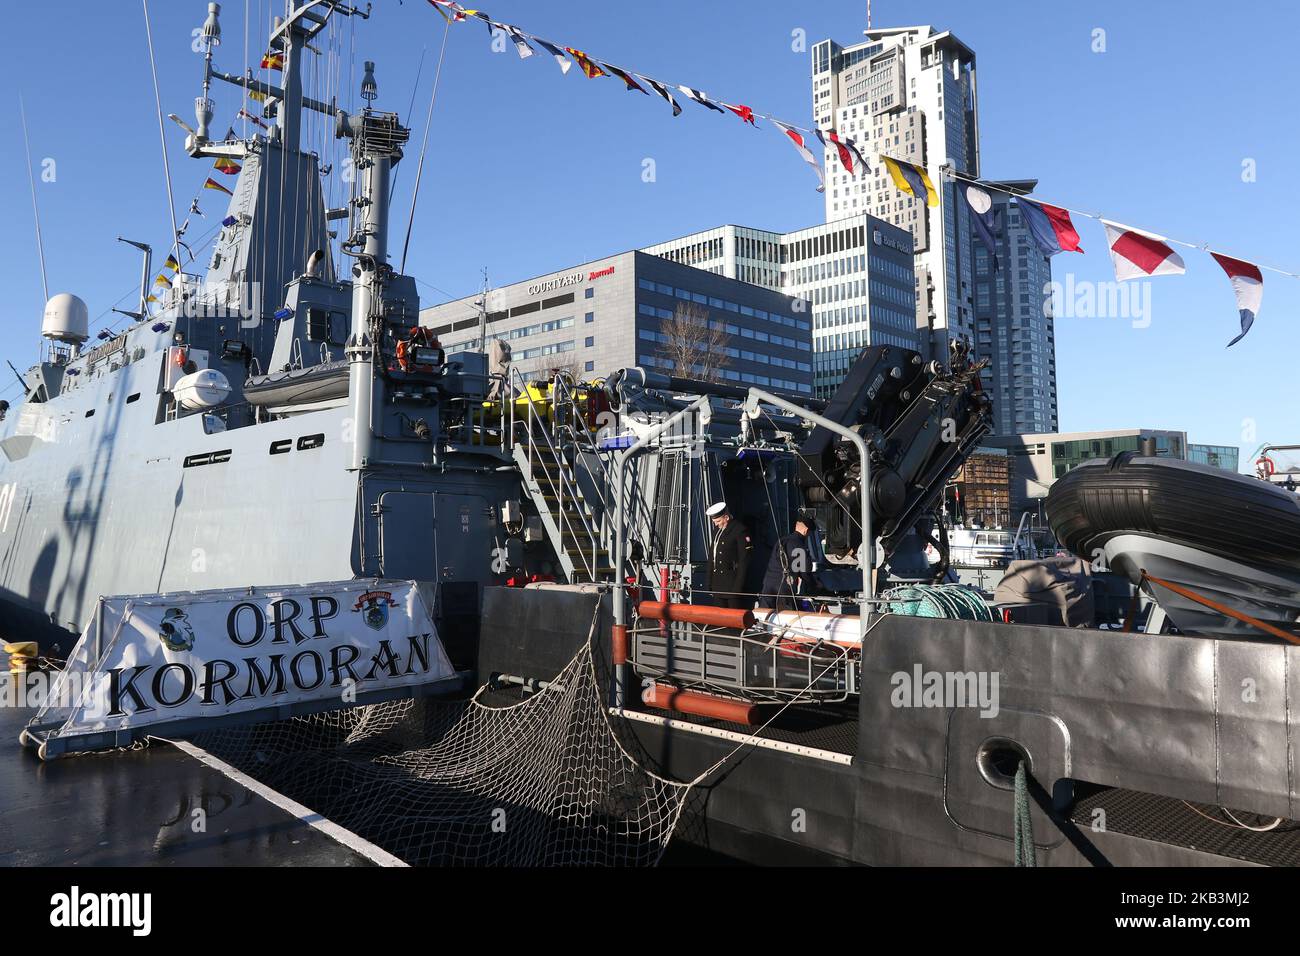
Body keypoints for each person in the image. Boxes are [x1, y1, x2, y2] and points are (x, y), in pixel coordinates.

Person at [759, 511, 816, 610]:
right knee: (787, 618)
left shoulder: (781, 541)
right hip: (784, 588)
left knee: (764, 614)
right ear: (806, 531)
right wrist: (814, 585)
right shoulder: (799, 546)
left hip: (768, 584)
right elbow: (804, 572)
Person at [706, 501, 752, 609]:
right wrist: (709, 582)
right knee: (720, 618)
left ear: (726, 517)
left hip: (732, 584)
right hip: (718, 584)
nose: (716, 524)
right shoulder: (717, 532)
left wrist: (738, 587)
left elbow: (744, 560)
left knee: (734, 619)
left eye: (718, 521)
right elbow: (712, 557)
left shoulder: (739, 531)